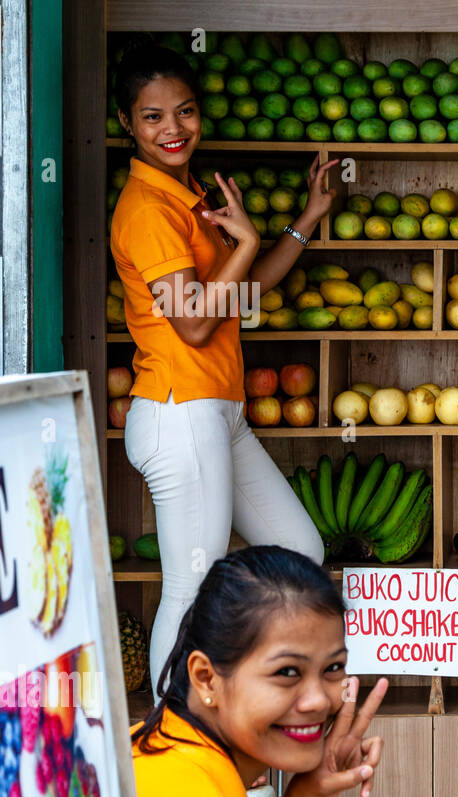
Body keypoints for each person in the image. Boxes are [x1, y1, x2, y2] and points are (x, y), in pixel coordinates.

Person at [109, 43, 337, 695]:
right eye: (152, 117)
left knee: (299, 555)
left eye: (184, 111)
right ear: (128, 123)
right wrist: (242, 242)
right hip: (179, 413)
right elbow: (194, 323)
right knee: (190, 582)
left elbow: (240, 294)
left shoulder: (185, 196)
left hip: (216, 413)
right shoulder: (149, 210)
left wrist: (304, 222)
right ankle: (168, 745)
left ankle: (241, 701)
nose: (172, 129)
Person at [131, 546, 388, 797]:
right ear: (206, 678)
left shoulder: (161, 744)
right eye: (287, 672)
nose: (320, 700)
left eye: (333, 668)